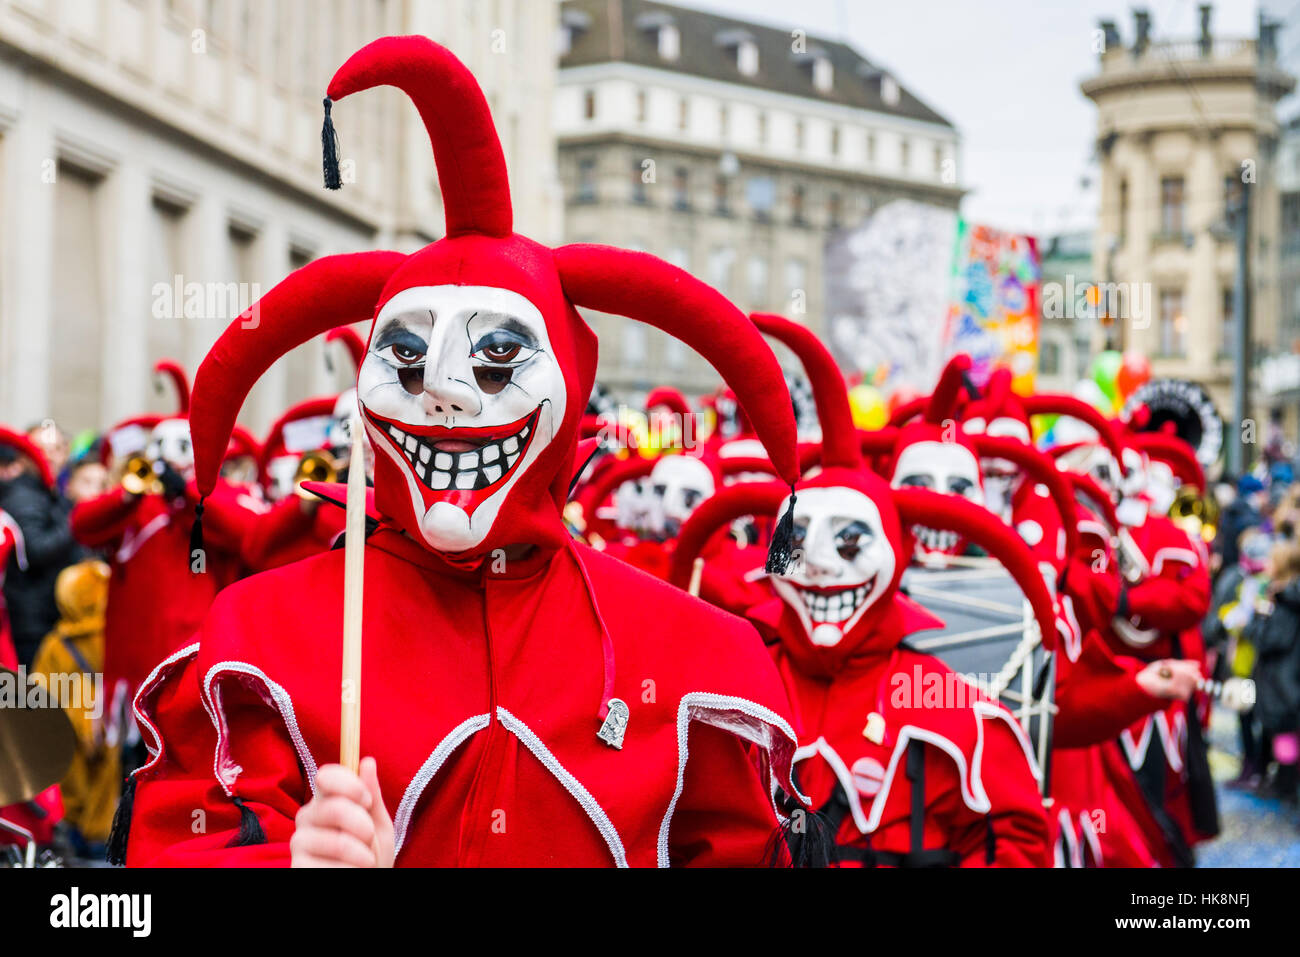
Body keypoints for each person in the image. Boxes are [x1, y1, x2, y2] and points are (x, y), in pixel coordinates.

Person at [119, 35, 813, 868]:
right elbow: (170, 856)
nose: (445, 392)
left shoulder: (691, 653)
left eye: (497, 362)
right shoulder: (263, 633)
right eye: (406, 361)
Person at [0, 427, 85, 669]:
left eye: (57, 448)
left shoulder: (46, 493)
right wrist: (77, 519)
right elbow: (36, 549)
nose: (50, 456)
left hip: (46, 618)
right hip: (30, 623)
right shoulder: (23, 494)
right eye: (42, 449)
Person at [1245, 540, 1300, 804]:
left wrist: (1259, 619)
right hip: (1284, 679)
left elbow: (1271, 640)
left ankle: (1287, 788)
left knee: (1286, 737)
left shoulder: (1286, 601)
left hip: (1285, 681)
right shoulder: (1286, 597)